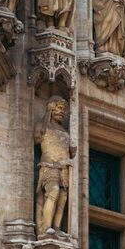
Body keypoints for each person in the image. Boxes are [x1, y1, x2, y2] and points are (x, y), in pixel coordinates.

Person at [34, 96, 73, 239]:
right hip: (49, 165)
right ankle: (46, 227)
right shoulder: (43, 126)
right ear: (51, 108)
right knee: (53, 192)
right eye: (59, 108)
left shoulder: (65, 131)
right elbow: (37, 138)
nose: (62, 112)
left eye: (63, 109)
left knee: (63, 197)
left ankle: (56, 228)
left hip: (64, 167)